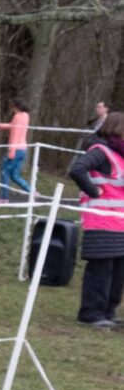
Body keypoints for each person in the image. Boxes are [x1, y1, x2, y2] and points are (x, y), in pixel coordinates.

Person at [68, 110, 124, 328]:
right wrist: (94, 191)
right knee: (100, 269)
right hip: (101, 222)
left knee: (118, 272)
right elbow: (78, 169)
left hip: (120, 222)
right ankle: (91, 313)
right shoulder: (100, 151)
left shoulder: (120, 156)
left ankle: (108, 311)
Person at [0, 99, 33, 201]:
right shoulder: (25, 115)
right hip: (23, 149)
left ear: (15, 107)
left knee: (4, 173)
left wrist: (11, 150)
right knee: (15, 175)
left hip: (16, 149)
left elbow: (15, 133)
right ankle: (32, 191)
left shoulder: (17, 116)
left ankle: (4, 198)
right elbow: (13, 126)